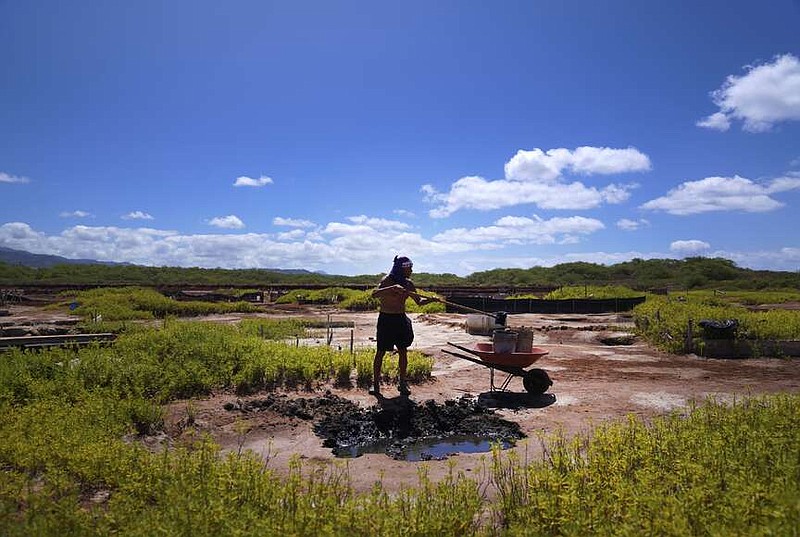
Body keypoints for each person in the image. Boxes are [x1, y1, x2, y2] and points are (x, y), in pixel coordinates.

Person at [369, 255, 434, 396]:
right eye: (409, 267)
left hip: (400, 320)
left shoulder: (409, 284)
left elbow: (419, 302)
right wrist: (392, 288)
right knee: (380, 351)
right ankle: (375, 384)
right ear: (401, 268)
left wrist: (431, 300)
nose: (411, 270)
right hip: (386, 320)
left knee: (403, 351)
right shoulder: (387, 280)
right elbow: (374, 294)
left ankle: (403, 383)